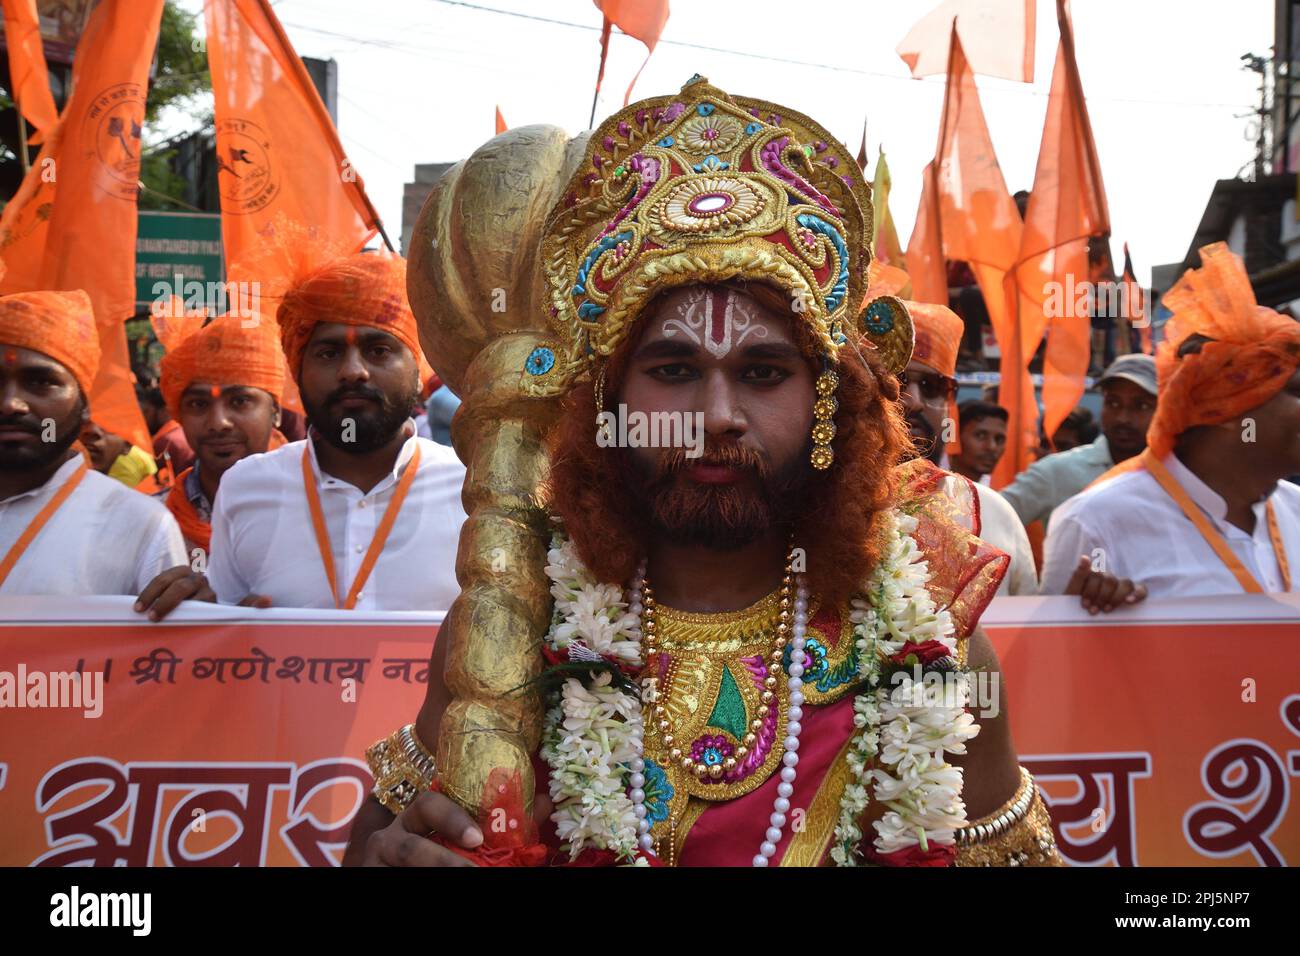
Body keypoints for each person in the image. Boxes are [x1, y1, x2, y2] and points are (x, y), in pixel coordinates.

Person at [346, 78, 1061, 867]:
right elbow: (378, 844)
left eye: (762, 373)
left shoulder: (932, 643)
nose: (717, 414)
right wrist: (393, 854)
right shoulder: (517, 620)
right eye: (675, 368)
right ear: (607, 403)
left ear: (828, 404)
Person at [136, 252, 468, 618]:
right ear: (297, 371)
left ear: (419, 370)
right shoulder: (245, 487)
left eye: (378, 350)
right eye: (328, 352)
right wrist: (200, 616)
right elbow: (228, 642)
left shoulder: (472, 490)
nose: (353, 371)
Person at [1041, 243, 1300, 598]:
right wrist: (1094, 630)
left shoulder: (1296, 511)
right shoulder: (1097, 522)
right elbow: (1057, 653)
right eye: (1296, 391)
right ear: (1225, 409)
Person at [0, 290, 186, 595]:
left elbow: (170, 643)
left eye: (41, 382)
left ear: (84, 405)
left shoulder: (140, 524)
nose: (11, 404)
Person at [900, 301, 1038, 596]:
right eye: (896, 381)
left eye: (933, 386)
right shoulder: (815, 515)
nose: (914, 400)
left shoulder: (996, 513)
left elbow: (1027, 636)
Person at [147, 309, 286, 556]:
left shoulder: (317, 514)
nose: (218, 422)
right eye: (199, 404)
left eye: (240, 401)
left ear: (275, 412)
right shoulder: (149, 521)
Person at [1000, 353, 1157, 530]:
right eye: (1113, 403)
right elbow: (988, 520)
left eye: (1141, 406)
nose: (1123, 418)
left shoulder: (1177, 474)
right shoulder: (1057, 471)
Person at [80, 419, 159, 489]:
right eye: (84, 422)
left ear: (128, 446)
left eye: (107, 428)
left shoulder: (124, 467)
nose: (92, 430)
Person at [139, 383, 196, 477]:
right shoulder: (183, 431)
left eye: (147, 411)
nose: (144, 417)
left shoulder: (165, 442)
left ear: (165, 411)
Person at [950, 400, 1007, 484]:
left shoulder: (995, 492)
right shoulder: (930, 486)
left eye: (999, 439)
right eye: (981, 436)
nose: (992, 447)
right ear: (955, 437)